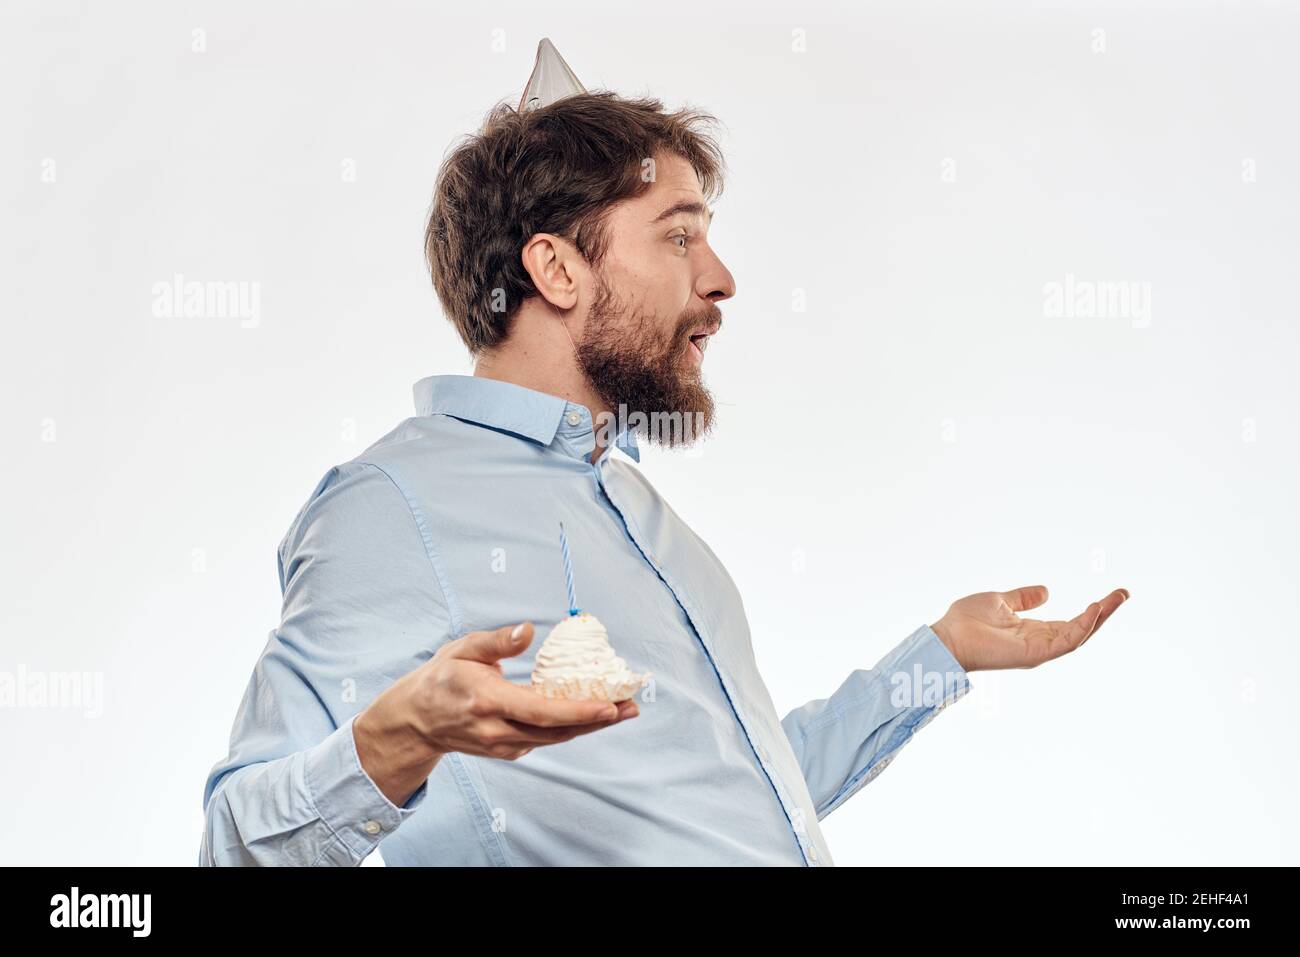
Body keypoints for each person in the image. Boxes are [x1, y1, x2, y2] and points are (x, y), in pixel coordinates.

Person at [199, 44, 1129, 867]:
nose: (720, 279)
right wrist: (392, 742)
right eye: (680, 235)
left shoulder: (647, 520)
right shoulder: (390, 503)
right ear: (557, 269)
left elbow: (746, 808)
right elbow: (234, 845)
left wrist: (939, 655)